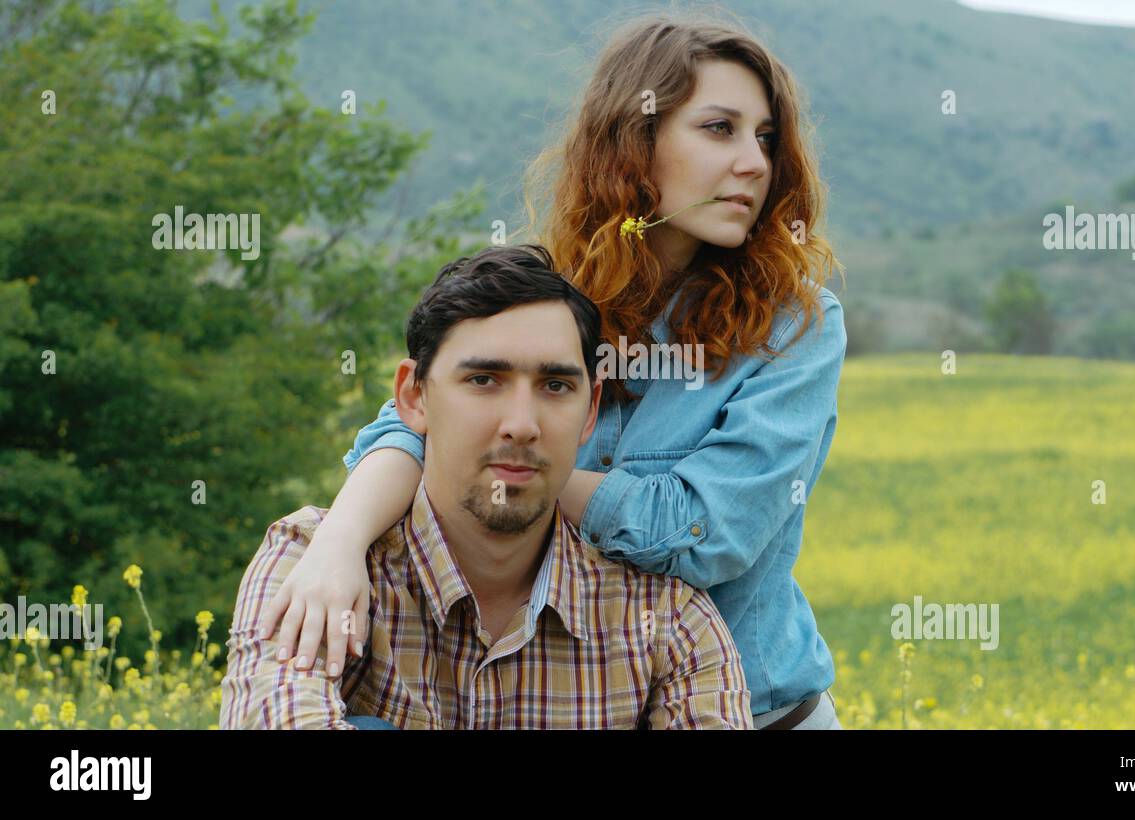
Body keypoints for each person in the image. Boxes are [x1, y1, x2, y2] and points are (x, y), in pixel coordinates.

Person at [256, 11, 846, 730]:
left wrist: (505, 463)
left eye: (765, 139)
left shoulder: (796, 324)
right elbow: (412, 425)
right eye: (719, 129)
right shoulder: (551, 290)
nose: (754, 162)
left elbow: (708, 531)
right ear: (634, 140)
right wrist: (339, 543)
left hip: (755, 713)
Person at [220, 245, 751, 729]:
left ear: (589, 412)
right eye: (483, 380)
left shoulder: (667, 619)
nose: (522, 424)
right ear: (414, 397)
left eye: (555, 386)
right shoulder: (315, 568)